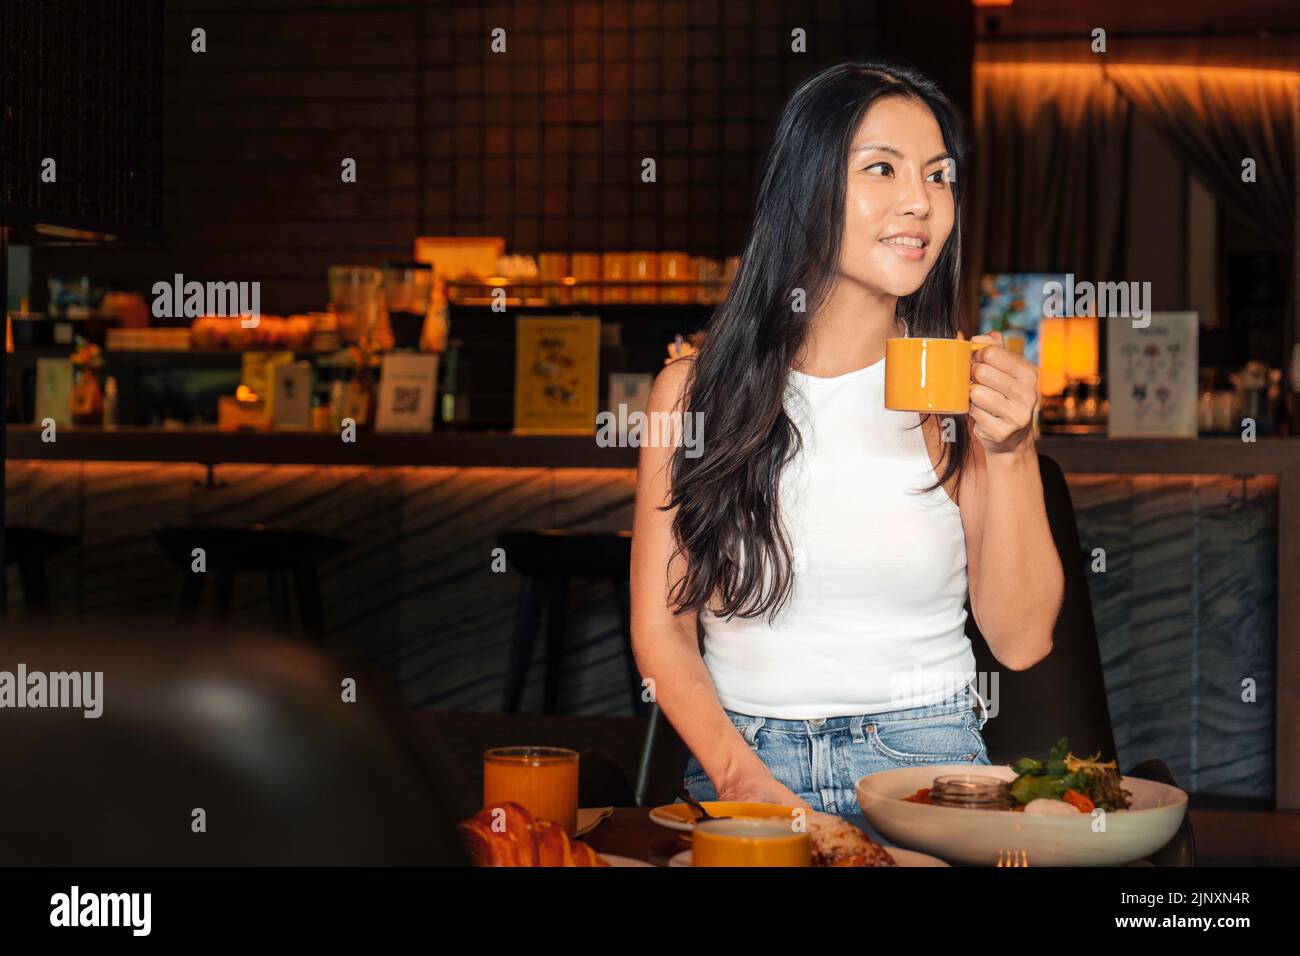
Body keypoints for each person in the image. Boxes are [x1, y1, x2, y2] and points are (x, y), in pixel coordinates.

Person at [630, 61, 1064, 817]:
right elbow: (661, 626)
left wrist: (1013, 451)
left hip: (925, 766)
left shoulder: (954, 388)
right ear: (806, 188)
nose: (920, 203)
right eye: (882, 169)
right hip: (741, 761)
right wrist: (737, 776)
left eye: (939, 176)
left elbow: (1022, 641)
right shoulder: (693, 394)